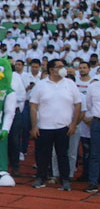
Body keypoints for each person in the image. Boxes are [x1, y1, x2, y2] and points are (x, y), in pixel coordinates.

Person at [30, 59, 81, 191]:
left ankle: (65, 180)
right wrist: (34, 126)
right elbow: (33, 106)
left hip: (63, 127)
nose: (63, 69)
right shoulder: (41, 85)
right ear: (51, 70)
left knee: (63, 155)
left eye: (63, 66)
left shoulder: (70, 84)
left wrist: (74, 124)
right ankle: (41, 177)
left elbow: (78, 104)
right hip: (44, 127)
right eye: (59, 66)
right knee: (43, 155)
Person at [85, 72, 100, 195]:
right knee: (95, 153)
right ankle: (93, 182)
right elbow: (89, 105)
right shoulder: (93, 87)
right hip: (97, 122)